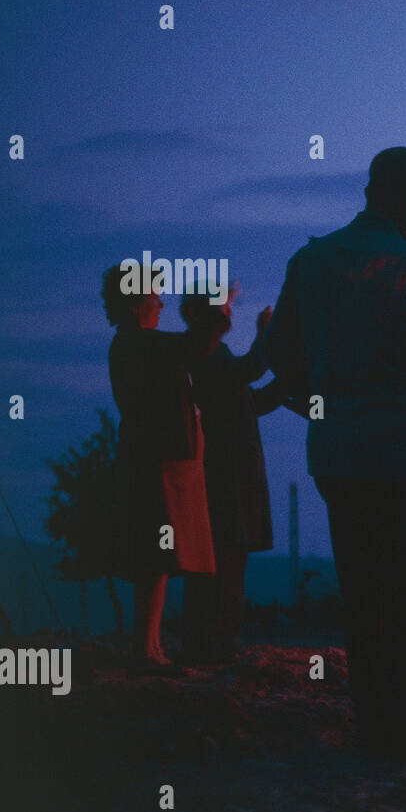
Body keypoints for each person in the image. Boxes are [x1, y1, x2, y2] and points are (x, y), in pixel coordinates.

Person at [263, 146, 406, 765]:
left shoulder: (311, 262)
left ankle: (374, 732)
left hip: (338, 459)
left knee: (365, 598)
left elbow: (281, 356)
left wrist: (327, 411)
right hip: (405, 459)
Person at [105, 264, 226, 675]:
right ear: (139, 302)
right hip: (156, 463)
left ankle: (150, 645)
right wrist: (216, 310)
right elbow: (197, 344)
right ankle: (144, 648)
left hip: (158, 460)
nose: (161, 303)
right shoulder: (139, 343)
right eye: (155, 296)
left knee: (158, 557)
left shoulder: (134, 343)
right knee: (155, 557)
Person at [178, 285, 292, 665]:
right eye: (223, 309)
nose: (229, 315)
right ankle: (209, 645)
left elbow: (248, 399)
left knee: (230, 559)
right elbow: (250, 370)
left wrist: (286, 382)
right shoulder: (204, 355)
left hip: (235, 474)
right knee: (223, 559)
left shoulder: (214, 355)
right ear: (199, 313)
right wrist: (266, 332)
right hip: (224, 476)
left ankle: (218, 641)